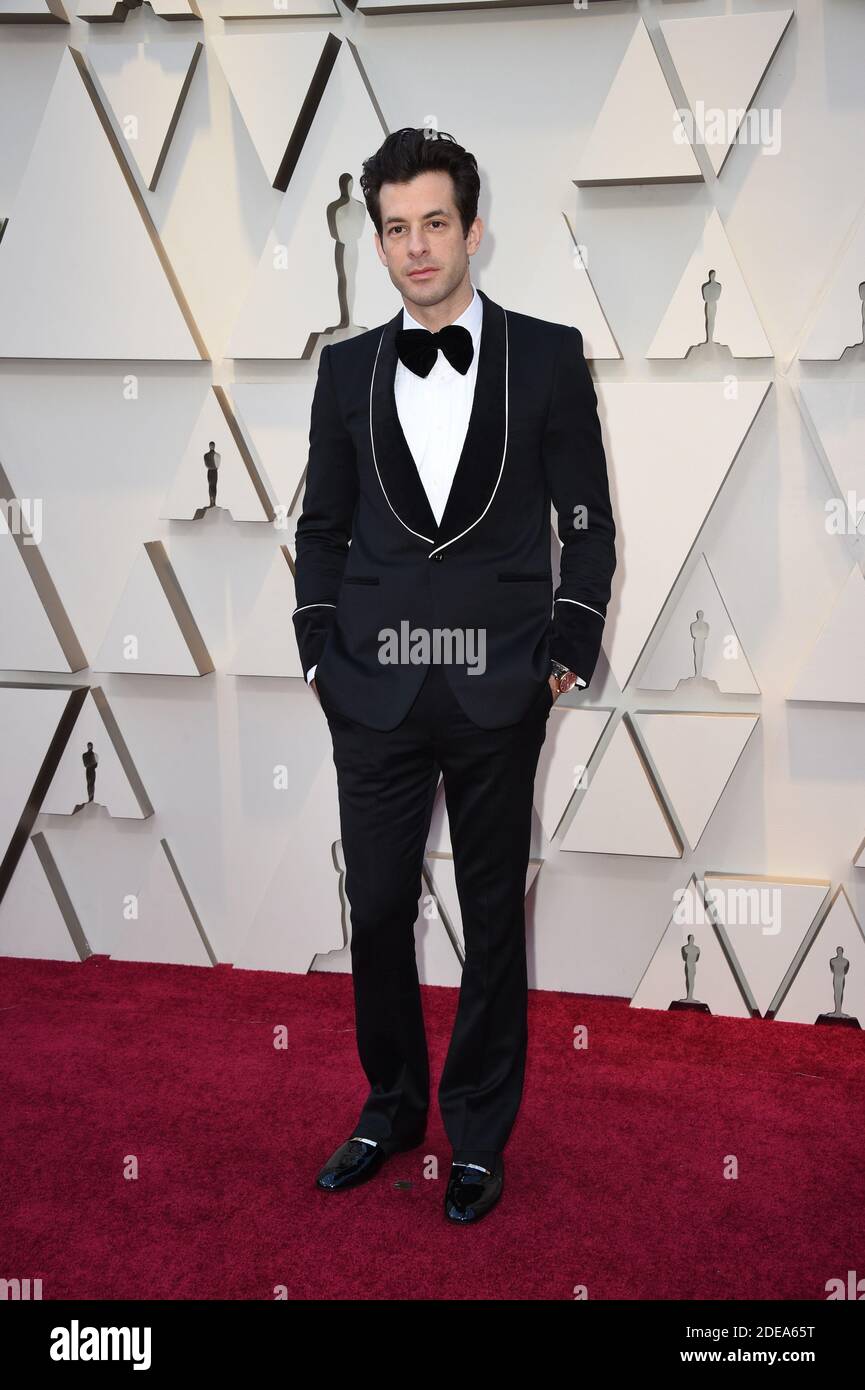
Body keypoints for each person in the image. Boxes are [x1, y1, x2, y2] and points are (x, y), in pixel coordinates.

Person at [292, 128, 617, 1223]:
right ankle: (390, 1105)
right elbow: (322, 524)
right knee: (377, 906)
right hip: (372, 689)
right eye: (396, 227)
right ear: (377, 239)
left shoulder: (550, 354)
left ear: (473, 229)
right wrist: (314, 652)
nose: (417, 246)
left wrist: (567, 646)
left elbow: (587, 521)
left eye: (436, 222)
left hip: (498, 687)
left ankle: (478, 1133)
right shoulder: (344, 369)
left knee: (489, 917)